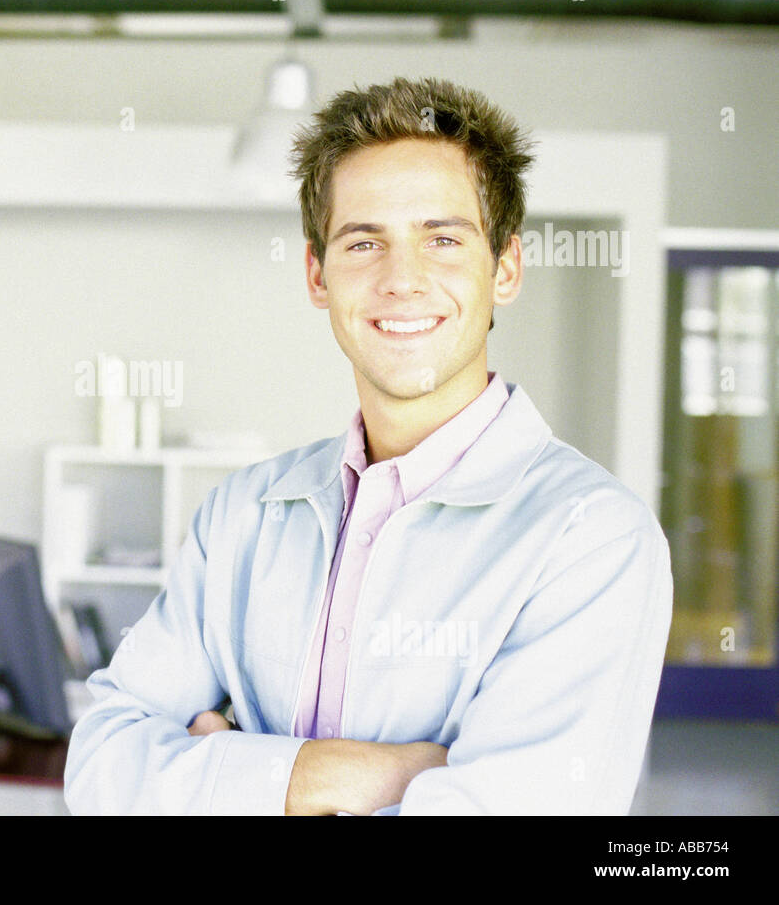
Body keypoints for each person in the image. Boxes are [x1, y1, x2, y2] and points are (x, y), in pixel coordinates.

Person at [63, 76, 673, 815]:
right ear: (318, 274)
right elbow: (99, 766)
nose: (402, 280)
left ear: (505, 268)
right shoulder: (241, 515)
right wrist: (363, 777)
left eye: (443, 239)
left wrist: (223, 770)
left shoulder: (592, 540)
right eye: (364, 242)